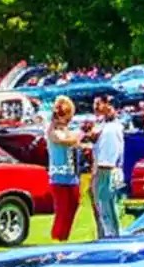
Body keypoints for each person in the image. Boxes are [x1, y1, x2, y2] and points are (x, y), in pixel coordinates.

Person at [45, 96, 86, 242]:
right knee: (62, 210)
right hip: (58, 176)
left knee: (74, 205)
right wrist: (80, 135)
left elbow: (74, 143)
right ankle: (58, 239)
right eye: (65, 117)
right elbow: (64, 141)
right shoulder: (52, 131)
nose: (67, 120)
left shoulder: (66, 130)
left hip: (71, 175)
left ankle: (64, 237)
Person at [90, 96, 125, 239]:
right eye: (95, 104)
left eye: (99, 104)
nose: (96, 107)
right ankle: (106, 235)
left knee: (111, 207)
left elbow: (111, 152)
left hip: (110, 169)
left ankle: (115, 236)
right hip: (102, 169)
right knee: (102, 207)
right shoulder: (101, 126)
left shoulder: (115, 126)